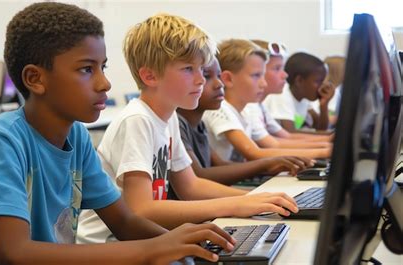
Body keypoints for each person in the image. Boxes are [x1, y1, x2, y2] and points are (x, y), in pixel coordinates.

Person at [0, 3, 236, 264]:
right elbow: (16, 254)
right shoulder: (3, 140)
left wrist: (187, 247)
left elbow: (125, 222)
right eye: (86, 69)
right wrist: (151, 250)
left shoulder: (77, 137)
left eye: (102, 67)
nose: (104, 83)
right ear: (35, 79)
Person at [77, 13, 299, 244]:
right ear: (150, 75)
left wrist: (256, 198)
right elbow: (141, 210)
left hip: (142, 240)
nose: (200, 80)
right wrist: (236, 204)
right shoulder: (137, 120)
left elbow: (190, 186)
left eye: (200, 69)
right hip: (109, 245)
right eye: (188, 69)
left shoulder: (168, 116)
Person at [176, 57, 313, 186]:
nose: (219, 84)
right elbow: (199, 175)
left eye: (218, 76)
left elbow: (219, 164)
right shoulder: (178, 123)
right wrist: (264, 165)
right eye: (207, 76)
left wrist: (269, 166)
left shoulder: (198, 123)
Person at [203, 39, 330, 162]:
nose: (263, 84)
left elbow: (277, 142)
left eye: (263, 75)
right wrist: (324, 151)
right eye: (256, 75)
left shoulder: (244, 111)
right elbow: (254, 153)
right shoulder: (221, 110)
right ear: (228, 79)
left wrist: (326, 145)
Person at [242, 40, 332, 143]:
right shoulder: (253, 107)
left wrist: (329, 139)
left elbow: (287, 136)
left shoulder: (259, 107)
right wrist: (327, 145)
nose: (285, 75)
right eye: (277, 68)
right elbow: (273, 144)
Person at [263, 52, 335, 133]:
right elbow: (290, 135)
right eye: (318, 81)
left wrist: (324, 105)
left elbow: (321, 129)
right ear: (299, 81)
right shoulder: (282, 95)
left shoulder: (303, 97)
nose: (322, 86)